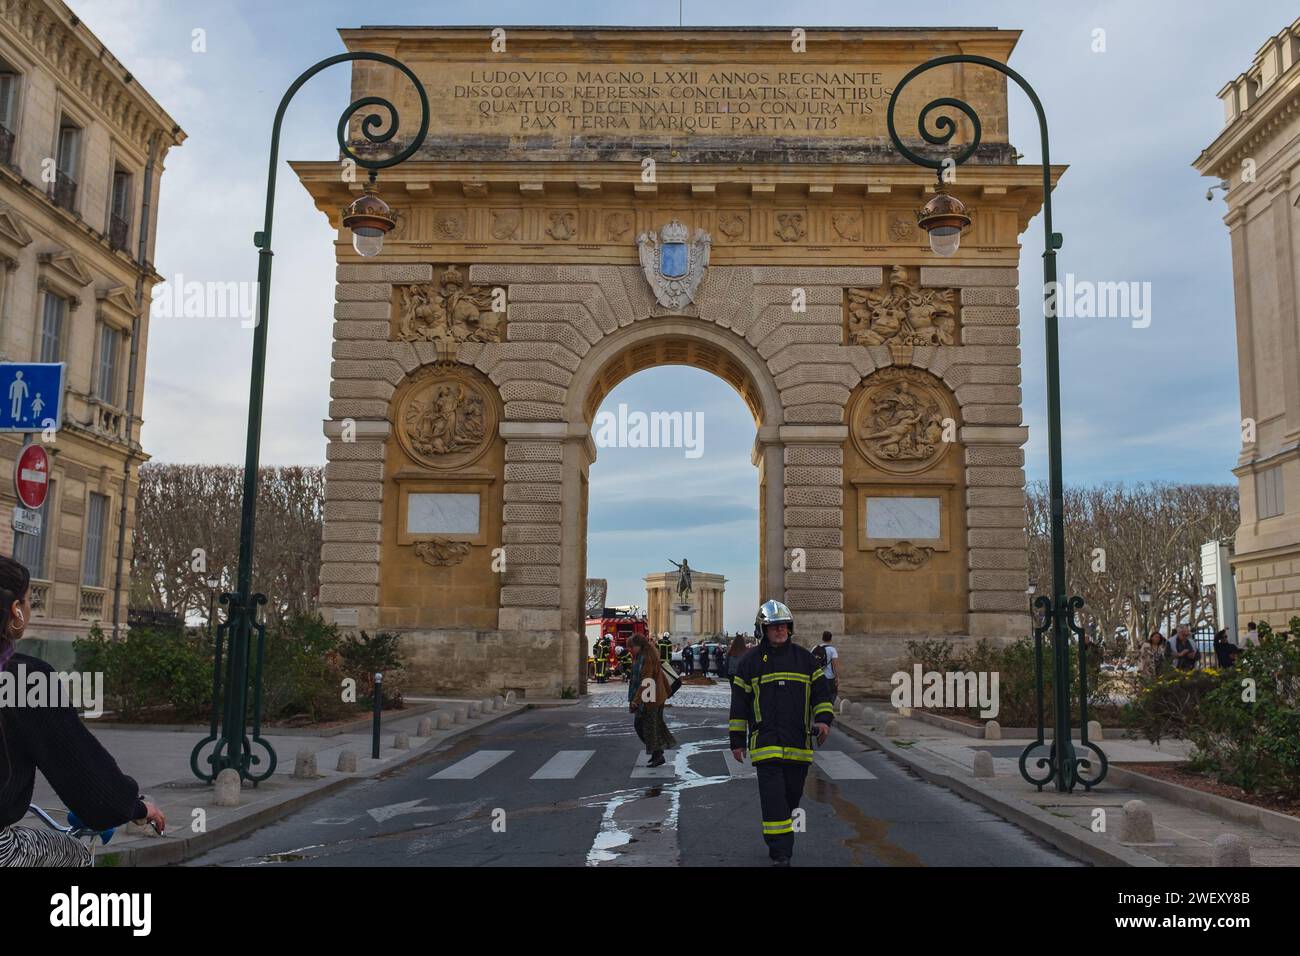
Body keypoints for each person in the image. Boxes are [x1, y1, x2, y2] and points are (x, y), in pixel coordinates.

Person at [0, 555, 166, 866]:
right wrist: (134, 807)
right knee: (74, 855)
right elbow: (88, 781)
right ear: (15, 611)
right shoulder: (25, 681)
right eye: (27, 600)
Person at [729, 599, 834, 866]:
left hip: (798, 744)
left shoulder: (806, 660)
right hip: (765, 744)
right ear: (763, 630)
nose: (780, 631)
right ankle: (781, 853)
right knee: (774, 798)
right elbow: (739, 706)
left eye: (784, 626)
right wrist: (737, 742)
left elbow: (822, 696)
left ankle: (779, 836)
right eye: (774, 627)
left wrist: (823, 721)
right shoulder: (749, 663)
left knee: (791, 796)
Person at [628, 634, 677, 768]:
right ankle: (657, 752)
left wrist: (636, 701)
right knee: (649, 725)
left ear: (639, 646)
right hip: (650, 695)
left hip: (652, 697)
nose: (629, 650)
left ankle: (658, 753)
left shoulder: (647, 658)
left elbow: (646, 682)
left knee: (648, 726)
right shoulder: (640, 656)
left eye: (631, 647)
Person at [812, 631, 840, 701]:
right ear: (831, 639)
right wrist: (837, 678)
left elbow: (810, 661)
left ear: (822, 638)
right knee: (831, 696)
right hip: (829, 678)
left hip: (818, 676)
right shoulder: (832, 650)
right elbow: (835, 666)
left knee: (820, 696)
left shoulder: (815, 648)